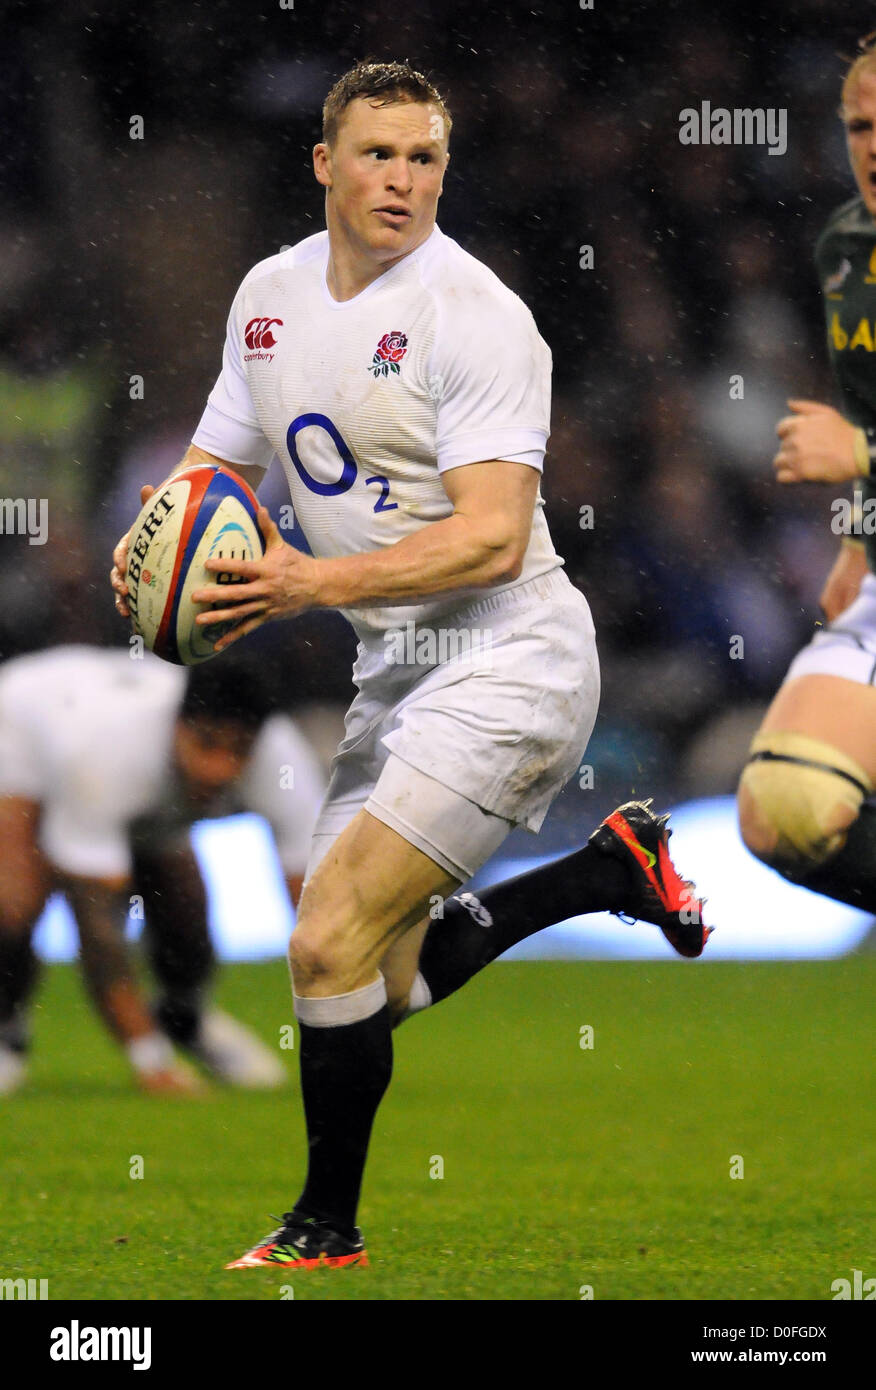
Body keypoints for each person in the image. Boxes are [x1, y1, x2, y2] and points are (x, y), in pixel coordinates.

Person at [111, 60, 710, 1272]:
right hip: (396, 664)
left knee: (326, 936)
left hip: (514, 654)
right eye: (377, 154)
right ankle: (606, 871)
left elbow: (492, 536)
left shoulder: (476, 314)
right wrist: (157, 546)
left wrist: (302, 583)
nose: (402, 178)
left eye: (425, 158)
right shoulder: (269, 297)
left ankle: (325, 1228)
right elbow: (210, 476)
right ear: (324, 163)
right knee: (364, 976)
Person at [0, 645, 326, 1094]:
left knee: (187, 914)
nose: (219, 769)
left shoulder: (281, 757)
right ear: (177, 726)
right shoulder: (109, 756)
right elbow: (98, 934)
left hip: (132, 775)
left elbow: (312, 901)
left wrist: (344, 1022)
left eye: (239, 751)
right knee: (14, 900)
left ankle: (184, 1018)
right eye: (207, 743)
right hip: (23, 726)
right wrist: (149, 1060)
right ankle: (5, 1030)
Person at [737, 38, 876, 914]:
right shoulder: (848, 248)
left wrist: (860, 455)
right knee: (784, 809)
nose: (874, 146)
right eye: (861, 125)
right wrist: (858, 544)